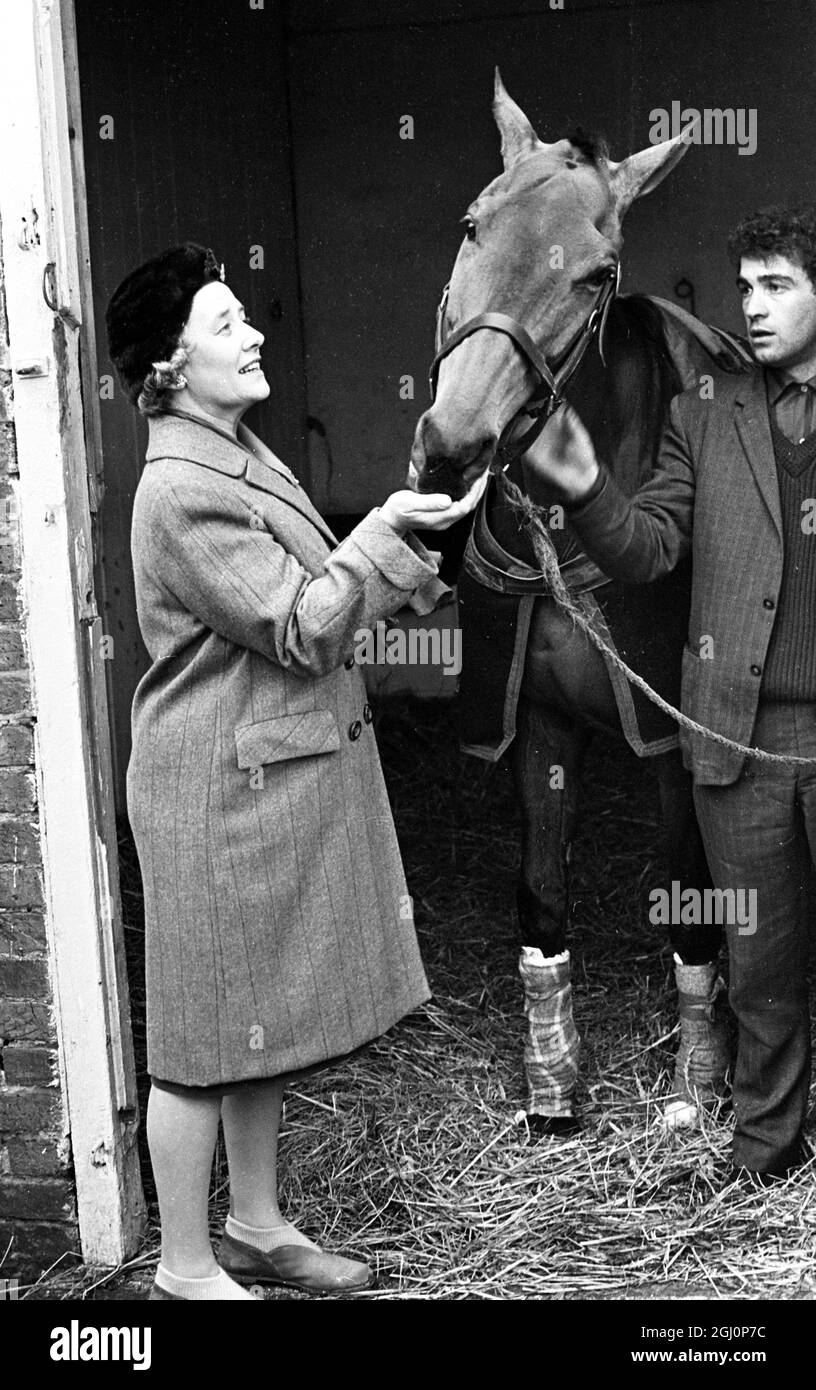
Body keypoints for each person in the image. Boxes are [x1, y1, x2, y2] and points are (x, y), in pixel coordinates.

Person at [105, 243, 486, 1300]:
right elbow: (302, 625)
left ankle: (257, 1222)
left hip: (254, 776)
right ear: (170, 369)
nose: (253, 333)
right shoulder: (182, 485)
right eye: (225, 323)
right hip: (212, 791)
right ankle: (185, 1268)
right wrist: (385, 535)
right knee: (198, 1035)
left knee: (252, 1016)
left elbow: (317, 582)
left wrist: (405, 552)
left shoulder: (237, 449)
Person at [521, 206, 816, 1182]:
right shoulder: (706, 411)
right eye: (747, 288)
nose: (754, 307)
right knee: (762, 970)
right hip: (738, 736)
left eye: (779, 286)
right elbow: (647, 545)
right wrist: (583, 485)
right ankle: (768, 1155)